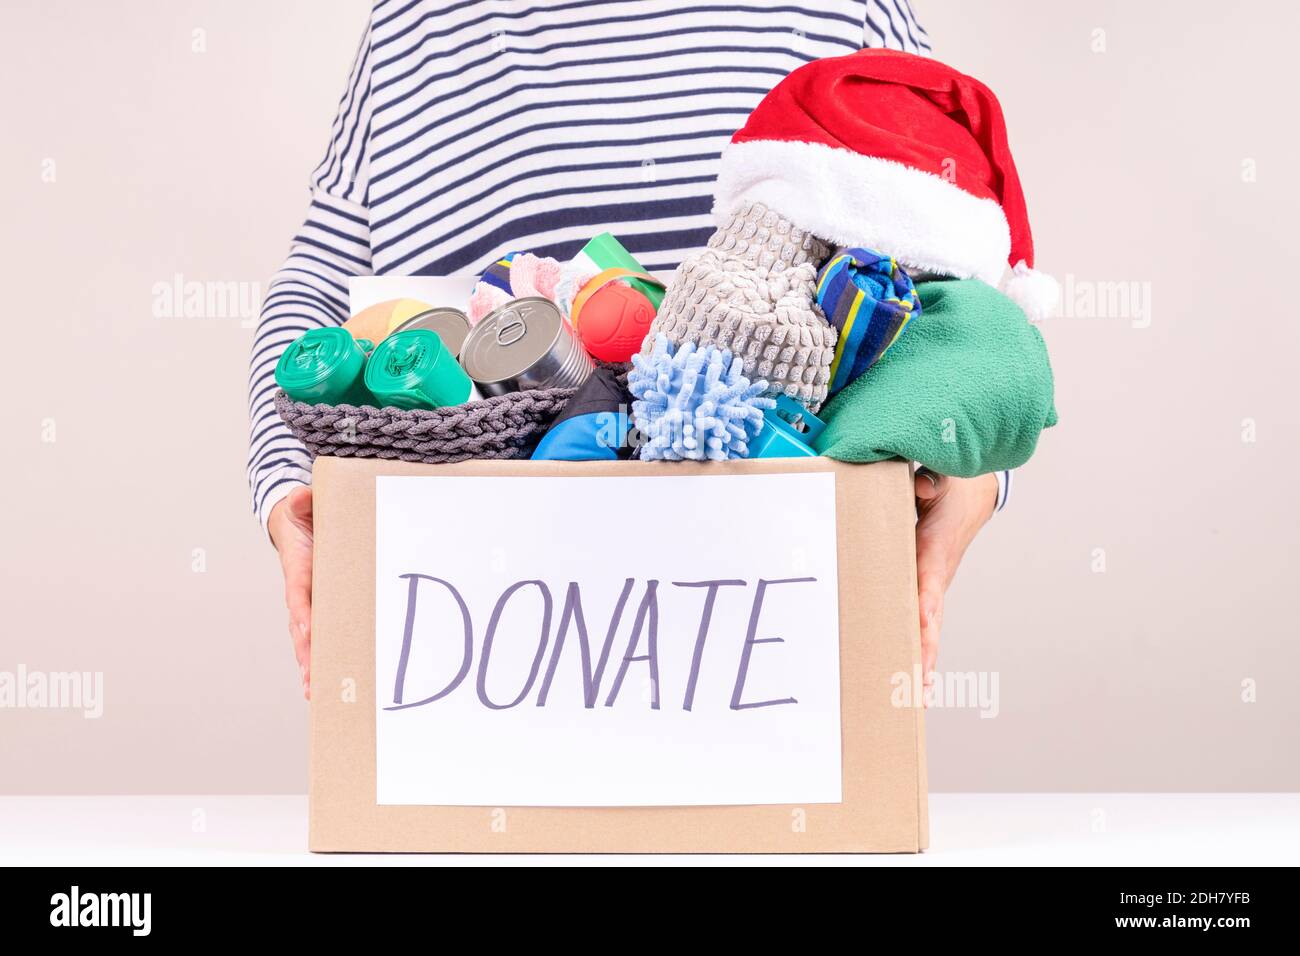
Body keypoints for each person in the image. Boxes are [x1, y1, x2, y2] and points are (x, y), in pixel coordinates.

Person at [249, 0, 1006, 699]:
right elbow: (317, 282)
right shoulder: (419, 23)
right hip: (491, 631)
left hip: (775, 622)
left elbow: (972, 278)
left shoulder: (847, 8)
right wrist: (290, 494)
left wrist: (971, 481)